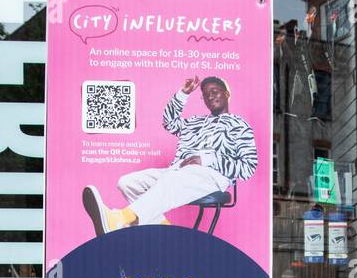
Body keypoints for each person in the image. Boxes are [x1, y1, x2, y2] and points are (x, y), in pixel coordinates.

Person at [81, 76, 257, 235]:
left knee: (178, 177)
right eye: (205, 94)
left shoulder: (239, 125)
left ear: (226, 94)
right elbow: (170, 123)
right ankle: (164, 230)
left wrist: (206, 160)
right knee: (127, 183)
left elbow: (249, 167)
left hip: (212, 176)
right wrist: (183, 94)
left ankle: (119, 219)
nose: (210, 97)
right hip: (177, 171)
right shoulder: (196, 122)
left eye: (214, 91)